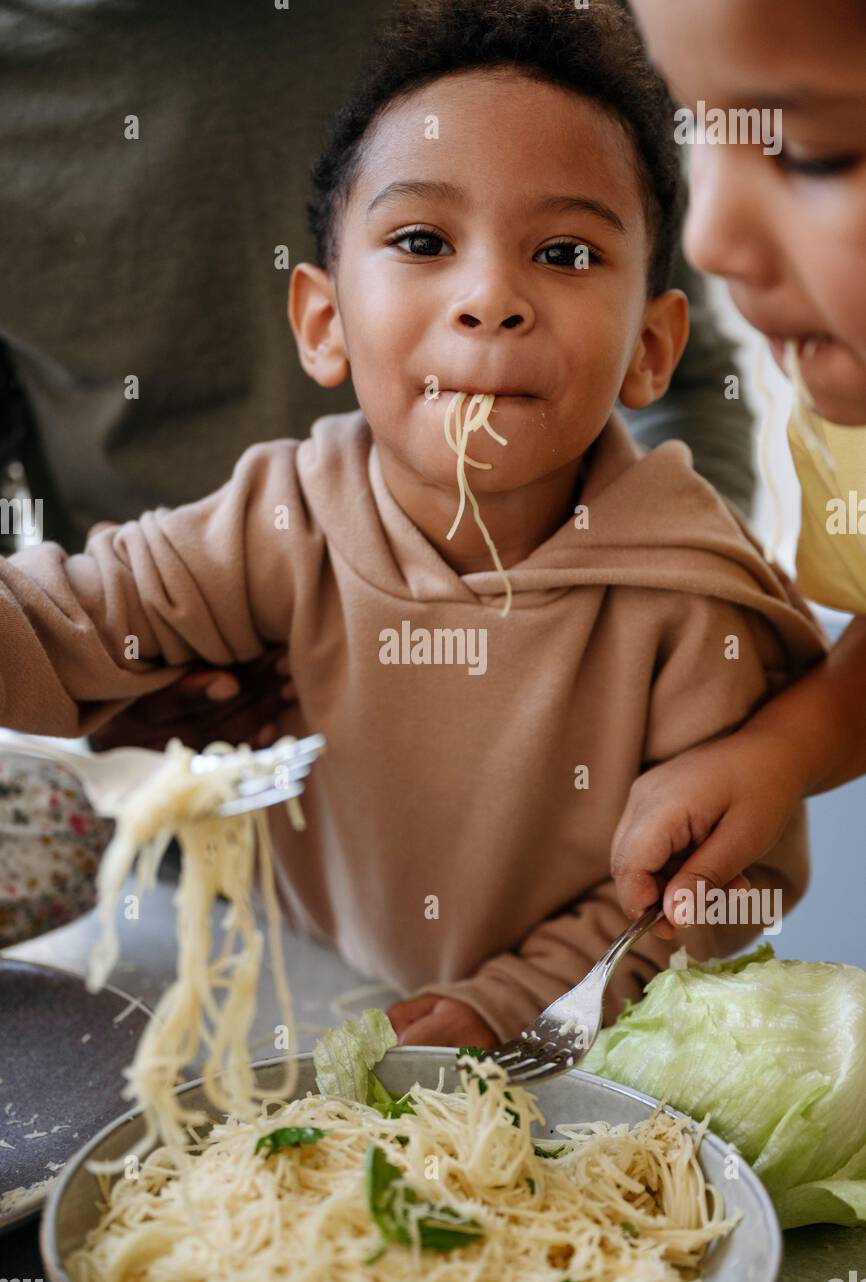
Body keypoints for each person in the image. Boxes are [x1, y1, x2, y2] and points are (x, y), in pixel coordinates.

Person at [0, 0, 824, 1047]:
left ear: (650, 349)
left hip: (581, 1067)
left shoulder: (688, 597)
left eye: (565, 253)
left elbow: (710, 889)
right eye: (423, 239)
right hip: (291, 997)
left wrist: (511, 1005)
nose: (490, 296)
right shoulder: (275, 518)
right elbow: (58, 625)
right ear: (323, 321)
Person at [612, 0, 866, 938]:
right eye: (698, 128)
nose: (710, 235)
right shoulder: (845, 422)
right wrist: (781, 751)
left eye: (809, 154)